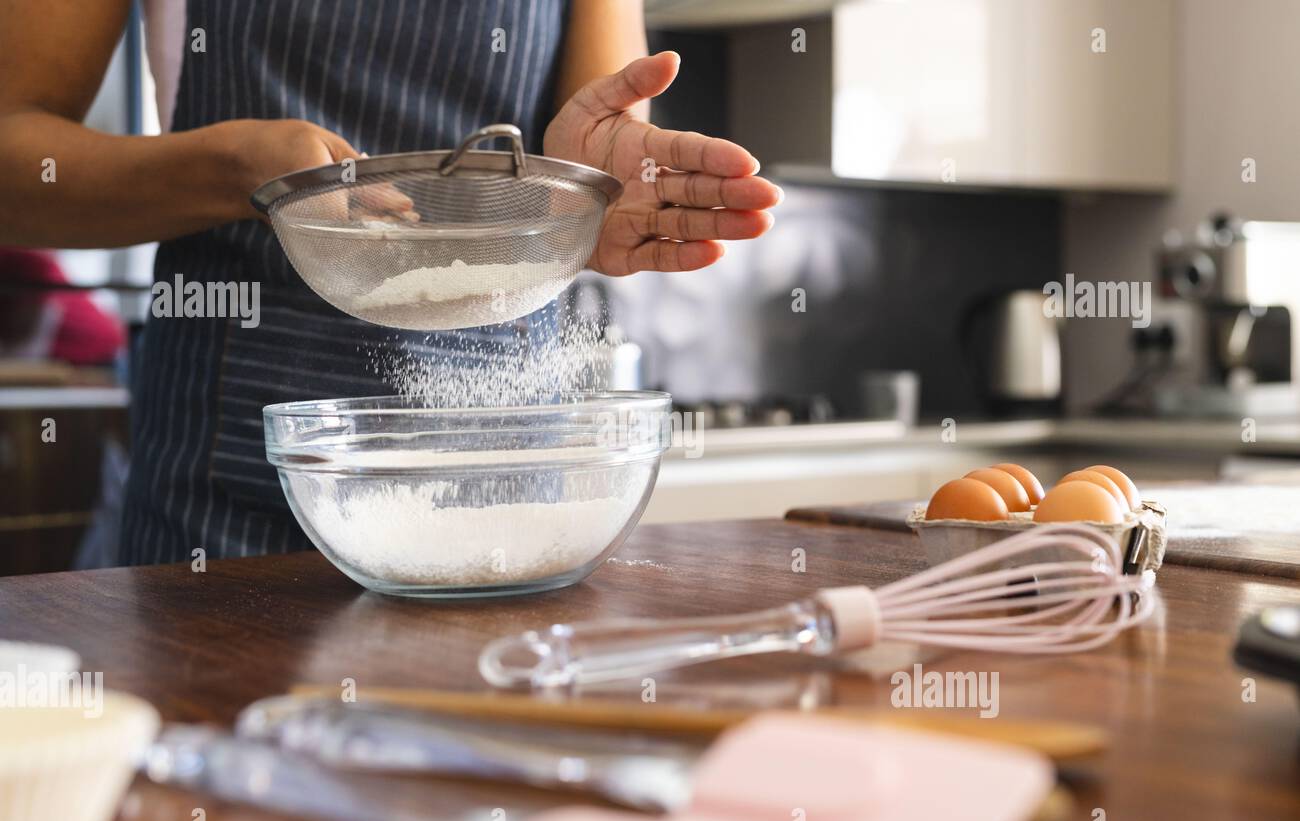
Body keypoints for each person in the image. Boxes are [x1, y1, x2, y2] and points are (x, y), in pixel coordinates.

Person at [0, 0, 780, 566]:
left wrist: (590, 183)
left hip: (506, 477)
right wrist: (233, 170)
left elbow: (602, 125)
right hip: (234, 482)